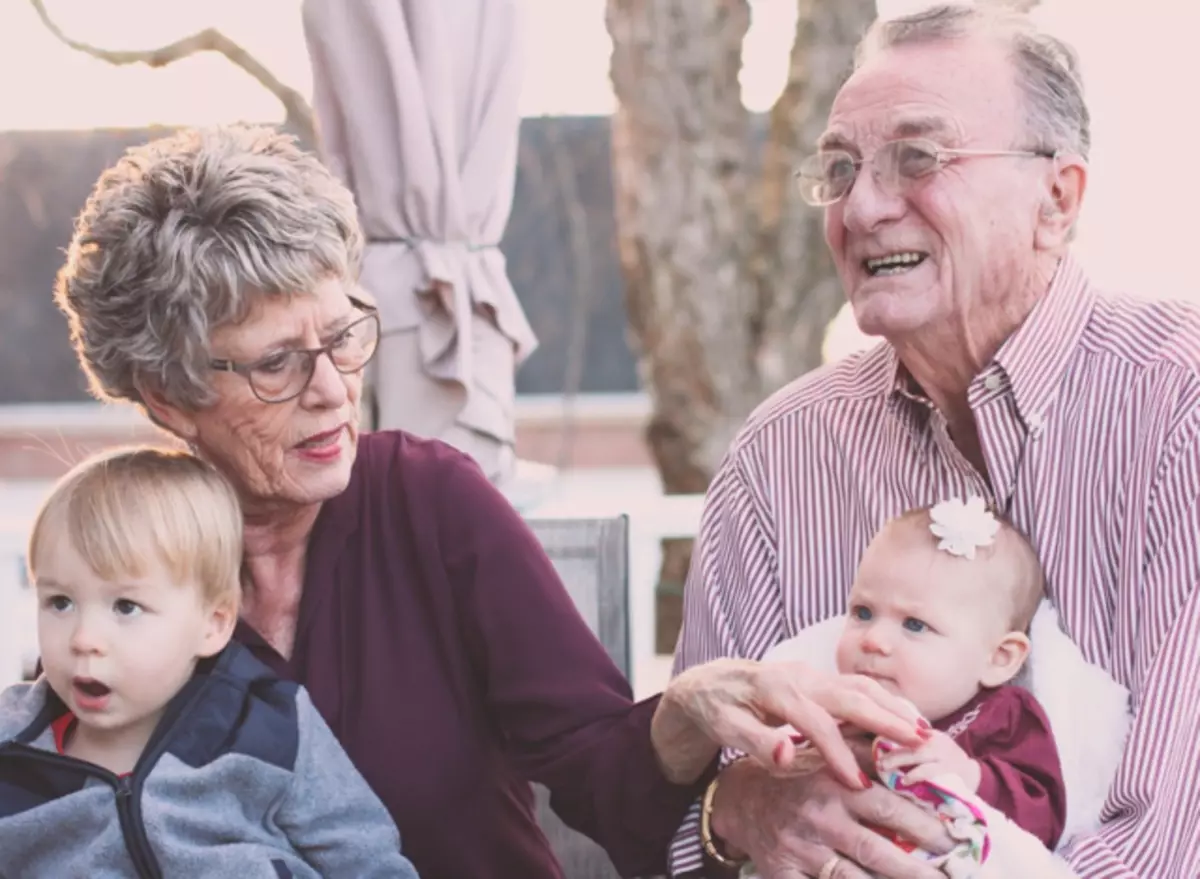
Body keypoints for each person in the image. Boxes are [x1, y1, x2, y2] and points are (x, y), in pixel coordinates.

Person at [50, 125, 933, 879]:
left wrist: (682, 710)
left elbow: (601, 773)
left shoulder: (429, 502)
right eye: (278, 362)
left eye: (344, 333)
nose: (332, 389)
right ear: (168, 398)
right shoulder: (115, 560)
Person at [670, 4, 1200, 878]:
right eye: (840, 169)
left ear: (1056, 200)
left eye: (919, 158)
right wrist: (740, 814)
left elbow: (1176, 838)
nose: (865, 207)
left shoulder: (1180, 406)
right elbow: (696, 813)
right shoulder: (779, 454)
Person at [0, 447, 419, 878]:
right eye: (60, 602)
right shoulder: (11, 745)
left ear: (213, 625)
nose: (83, 639)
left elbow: (366, 859)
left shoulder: (269, 728)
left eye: (126, 607)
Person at [793, 498, 1066, 850]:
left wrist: (971, 776)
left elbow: (1044, 819)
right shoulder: (834, 710)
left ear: (999, 658)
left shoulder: (1002, 716)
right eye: (862, 612)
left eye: (915, 624)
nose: (874, 640)